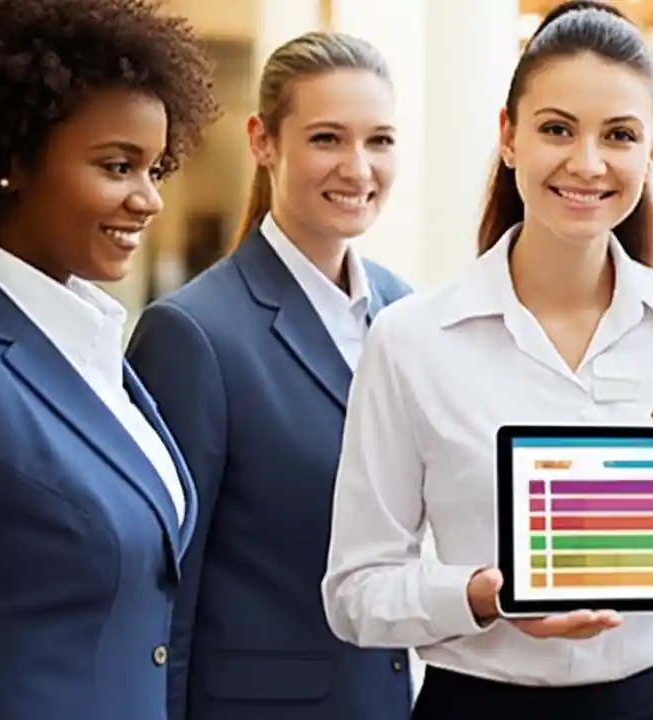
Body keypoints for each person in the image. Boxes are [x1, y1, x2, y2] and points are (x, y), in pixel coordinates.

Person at [320, 2, 653, 719]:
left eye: (619, 135)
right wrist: (486, 596)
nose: (587, 163)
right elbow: (354, 594)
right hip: (476, 705)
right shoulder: (412, 340)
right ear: (508, 137)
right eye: (557, 128)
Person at [125, 32, 413, 720]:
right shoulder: (193, 334)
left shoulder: (406, 312)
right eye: (326, 139)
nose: (358, 167)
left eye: (379, 141)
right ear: (263, 141)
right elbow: (164, 594)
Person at [0, 0, 219, 717]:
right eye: (118, 166)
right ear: (14, 159)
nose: (149, 200)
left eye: (155, 168)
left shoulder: (91, 341)